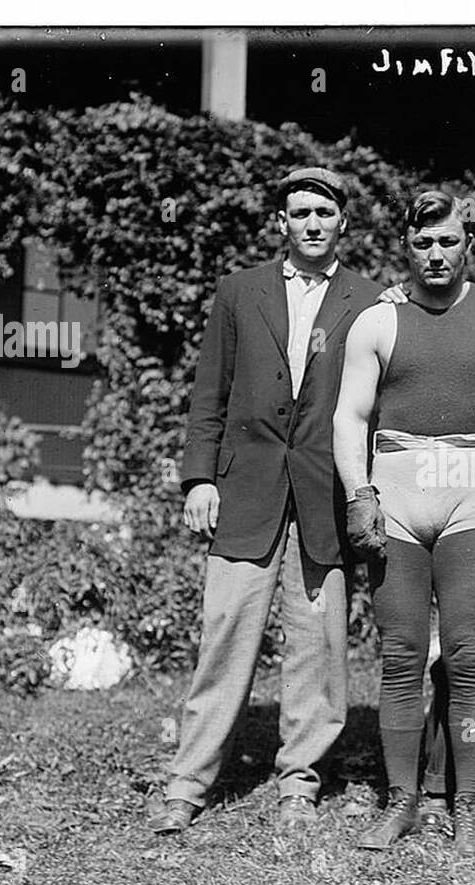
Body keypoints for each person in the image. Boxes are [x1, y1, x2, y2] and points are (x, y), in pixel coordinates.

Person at [150, 167, 381, 836]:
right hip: (245, 487)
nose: (312, 223)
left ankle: (300, 783)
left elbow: (375, 407)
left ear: (343, 223)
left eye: (324, 213)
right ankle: (188, 785)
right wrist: (199, 479)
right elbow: (207, 394)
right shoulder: (239, 291)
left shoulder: (370, 301)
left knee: (318, 642)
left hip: (324, 494)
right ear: (281, 222)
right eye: (300, 212)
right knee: (225, 633)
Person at [333, 190, 475, 856]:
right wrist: (359, 490)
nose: (437, 253)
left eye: (448, 240)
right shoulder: (377, 322)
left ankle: (470, 807)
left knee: (470, 652)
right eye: (423, 243)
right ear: (406, 248)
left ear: (467, 244)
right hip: (397, 491)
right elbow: (349, 418)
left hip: (472, 495)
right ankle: (401, 804)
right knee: (398, 656)